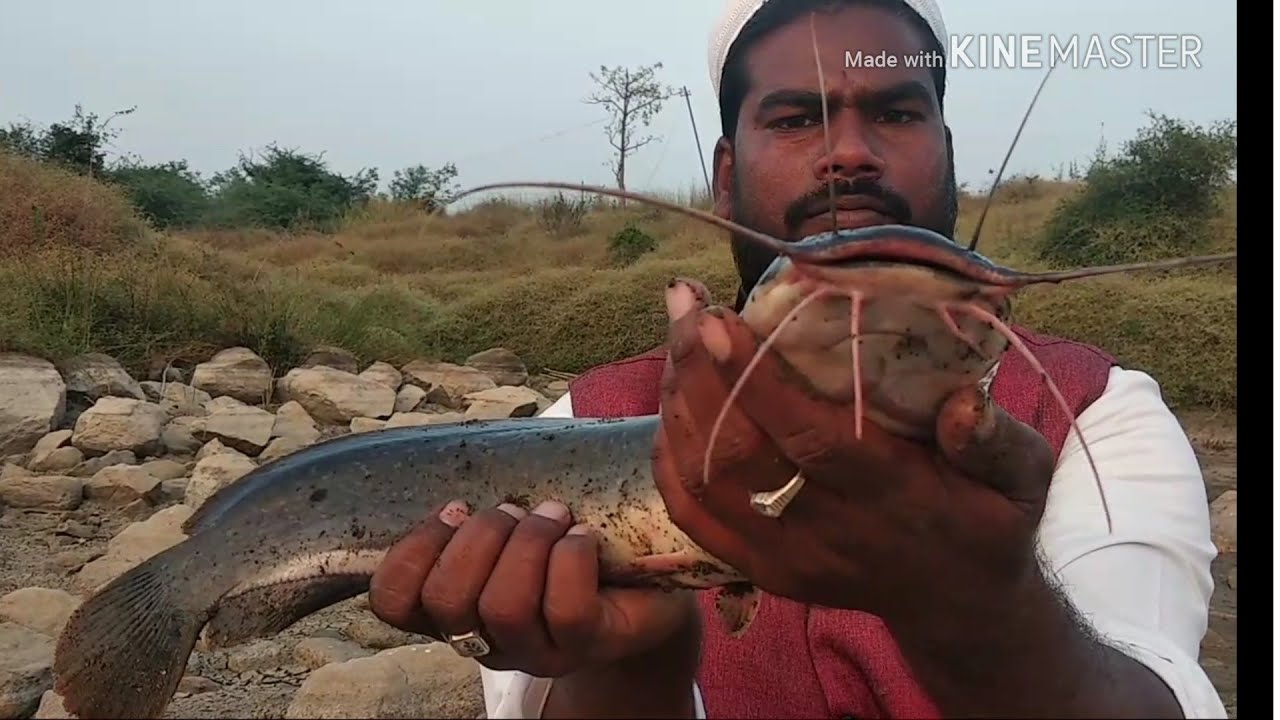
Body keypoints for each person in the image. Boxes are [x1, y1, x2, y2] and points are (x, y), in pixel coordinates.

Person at [368, 0, 1227, 716]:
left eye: (895, 111)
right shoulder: (583, 424)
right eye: (795, 117)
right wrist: (634, 655)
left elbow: (1157, 688)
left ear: (951, 154)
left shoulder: (1096, 415)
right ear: (726, 176)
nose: (849, 151)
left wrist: (982, 609)